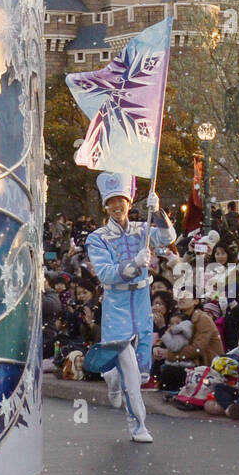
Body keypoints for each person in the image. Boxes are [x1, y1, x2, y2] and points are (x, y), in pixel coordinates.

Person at [85, 173, 175, 443]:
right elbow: (106, 274)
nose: (116, 206)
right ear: (105, 206)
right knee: (131, 372)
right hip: (118, 306)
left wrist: (158, 212)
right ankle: (138, 426)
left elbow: (168, 235)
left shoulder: (141, 228)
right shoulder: (97, 238)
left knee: (141, 369)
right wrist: (135, 263)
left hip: (142, 301)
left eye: (120, 201)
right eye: (111, 202)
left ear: (129, 201)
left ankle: (111, 376)